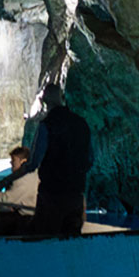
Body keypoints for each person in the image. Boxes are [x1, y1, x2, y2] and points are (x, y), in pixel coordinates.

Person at [22, 88, 93, 237]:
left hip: (52, 195)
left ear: (45, 101)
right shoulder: (82, 124)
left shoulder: (46, 125)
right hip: (75, 195)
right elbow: (90, 160)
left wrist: (21, 170)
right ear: (62, 98)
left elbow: (34, 162)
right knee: (71, 240)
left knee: (46, 238)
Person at [0, 146, 40, 235]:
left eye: (14, 161)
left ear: (23, 162)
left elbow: (5, 199)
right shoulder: (34, 174)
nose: (11, 164)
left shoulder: (23, 179)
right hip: (30, 215)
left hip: (26, 218)